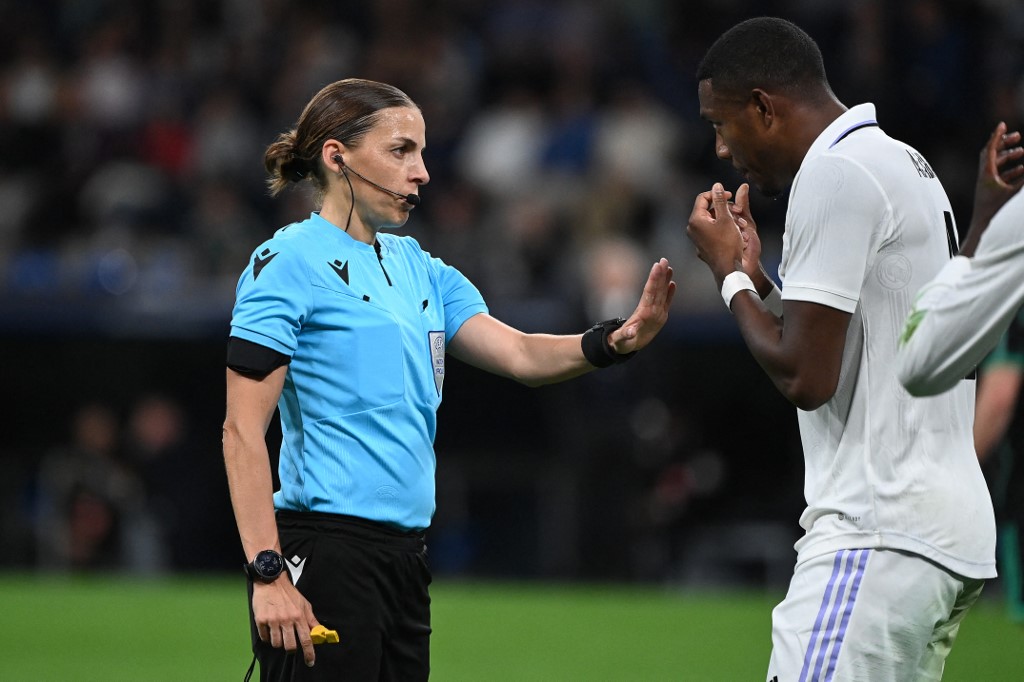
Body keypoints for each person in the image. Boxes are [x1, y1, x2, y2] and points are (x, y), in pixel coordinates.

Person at [222, 77, 675, 681]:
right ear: (337, 157)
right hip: (325, 554)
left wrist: (611, 343)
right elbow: (241, 431)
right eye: (400, 150)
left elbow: (518, 352)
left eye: (423, 151)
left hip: (406, 560)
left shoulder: (421, 268)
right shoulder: (285, 265)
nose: (423, 172)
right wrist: (268, 573)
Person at [685, 17, 997, 681]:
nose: (719, 148)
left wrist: (728, 277)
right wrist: (761, 281)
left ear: (763, 106)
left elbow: (807, 376)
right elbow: (846, 346)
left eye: (721, 123)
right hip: (933, 530)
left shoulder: (835, 174)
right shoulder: (898, 163)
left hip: (876, 531)